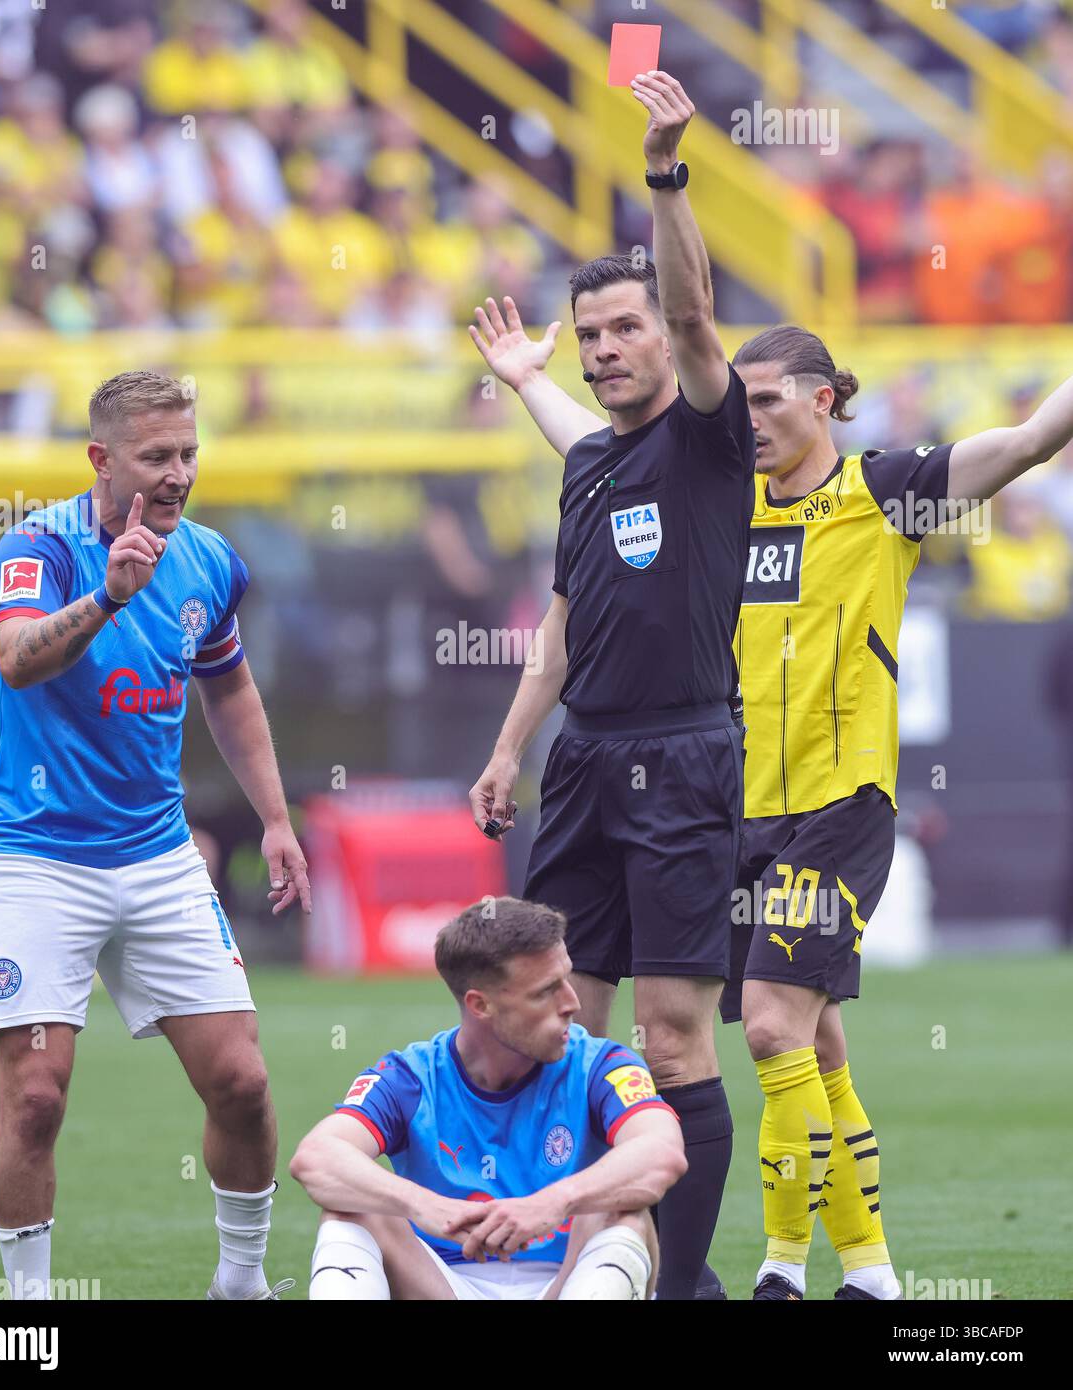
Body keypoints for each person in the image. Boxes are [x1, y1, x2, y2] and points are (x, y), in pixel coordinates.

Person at [467, 71, 754, 1299]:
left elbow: (693, 322)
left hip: (686, 757)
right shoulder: (589, 467)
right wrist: (505, 750)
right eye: (589, 338)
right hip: (582, 759)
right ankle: (574, 1263)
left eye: (621, 329)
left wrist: (664, 173)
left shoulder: (703, 432)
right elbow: (561, 631)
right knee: (552, 1020)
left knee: (672, 1035)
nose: (605, 351)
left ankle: (676, 1282)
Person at [720, 326, 1073, 1299]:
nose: (744, 420)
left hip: (839, 809)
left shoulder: (887, 491)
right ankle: (871, 1274)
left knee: (765, 1029)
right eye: (734, 401)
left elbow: (1027, 442)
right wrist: (530, 385)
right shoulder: (720, 502)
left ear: (824, 397)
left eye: (764, 400)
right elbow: (596, 452)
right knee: (814, 1045)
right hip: (735, 815)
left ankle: (778, 1268)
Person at [0, 369, 311, 1301]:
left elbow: (230, 688)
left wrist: (277, 820)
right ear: (101, 460)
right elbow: (16, 660)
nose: (178, 473)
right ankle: (27, 1307)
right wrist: (109, 600)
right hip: (38, 861)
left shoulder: (208, 559)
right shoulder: (37, 545)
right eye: (156, 456)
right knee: (36, 1097)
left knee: (243, 1081)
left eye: (189, 453)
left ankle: (241, 1284)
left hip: (157, 858)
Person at [290, 896, 685, 1300]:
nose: (572, 1003)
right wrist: (424, 1205)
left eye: (566, 978)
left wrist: (553, 1203)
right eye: (546, 991)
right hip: (443, 1286)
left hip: (567, 1282)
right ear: (481, 1005)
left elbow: (663, 1151)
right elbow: (315, 1158)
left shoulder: (601, 1065)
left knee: (621, 1213)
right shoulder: (410, 1077)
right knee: (350, 1210)